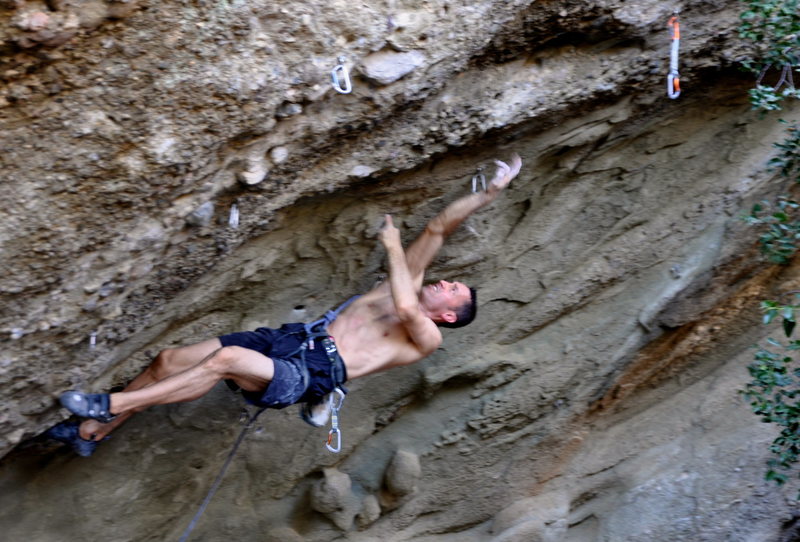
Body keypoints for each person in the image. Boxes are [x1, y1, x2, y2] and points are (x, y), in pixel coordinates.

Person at [47, 154, 522, 456]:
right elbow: (439, 229)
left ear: (446, 315)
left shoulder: (426, 336)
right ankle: (93, 432)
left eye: (452, 290)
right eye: (450, 279)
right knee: (169, 360)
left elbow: (404, 307)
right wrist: (488, 193)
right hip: (289, 340)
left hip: (311, 373)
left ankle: (111, 404)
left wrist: (394, 246)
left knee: (227, 361)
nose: (444, 281)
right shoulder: (405, 281)